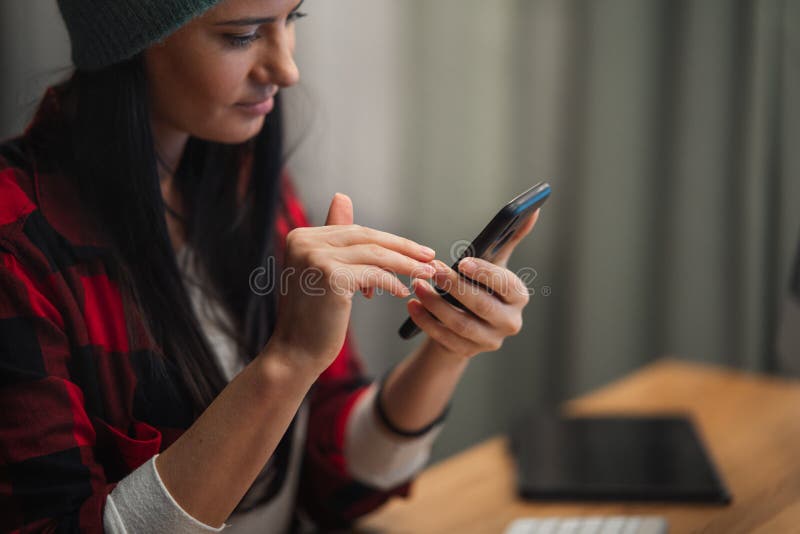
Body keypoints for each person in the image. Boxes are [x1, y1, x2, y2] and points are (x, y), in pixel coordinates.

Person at [0, 0, 539, 532]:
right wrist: (289, 362)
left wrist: (448, 346)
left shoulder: (248, 184)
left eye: (292, 19)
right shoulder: (16, 242)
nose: (286, 69)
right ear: (129, 46)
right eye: (241, 35)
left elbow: (335, 482)